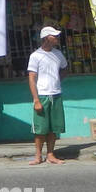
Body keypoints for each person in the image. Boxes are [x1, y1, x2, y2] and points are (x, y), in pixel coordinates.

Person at [27, 26, 68, 165]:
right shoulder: (35, 56)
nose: (56, 38)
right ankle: (38, 156)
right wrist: (36, 99)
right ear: (46, 38)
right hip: (42, 96)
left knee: (54, 128)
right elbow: (31, 78)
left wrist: (56, 81)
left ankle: (50, 154)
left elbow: (64, 69)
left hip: (56, 95)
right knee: (40, 129)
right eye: (53, 36)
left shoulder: (58, 54)